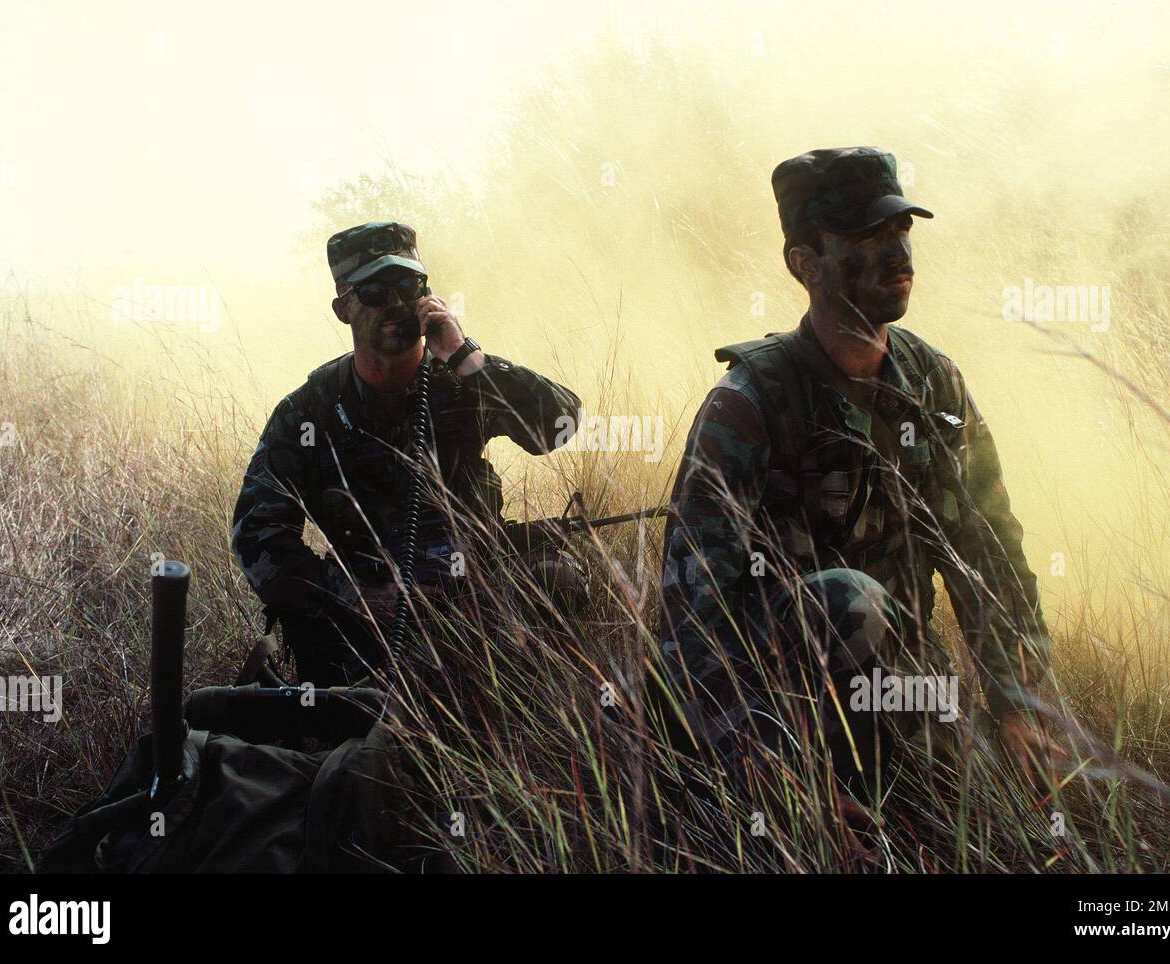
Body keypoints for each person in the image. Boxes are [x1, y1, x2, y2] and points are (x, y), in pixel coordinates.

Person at [658, 148, 1063, 794]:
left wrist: (1014, 702)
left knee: (993, 802)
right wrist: (759, 761)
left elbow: (989, 551)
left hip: (899, 682)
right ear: (805, 263)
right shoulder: (747, 405)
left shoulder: (934, 385)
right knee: (852, 598)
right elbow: (690, 620)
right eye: (866, 239)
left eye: (901, 231)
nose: (898, 255)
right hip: (772, 701)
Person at [232, 221, 582, 685]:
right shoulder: (309, 411)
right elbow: (256, 536)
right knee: (356, 679)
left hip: (476, 587)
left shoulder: (462, 378)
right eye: (375, 291)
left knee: (567, 582)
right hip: (377, 607)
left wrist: (465, 356)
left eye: (408, 286)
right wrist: (354, 594)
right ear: (344, 308)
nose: (396, 304)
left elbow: (558, 428)